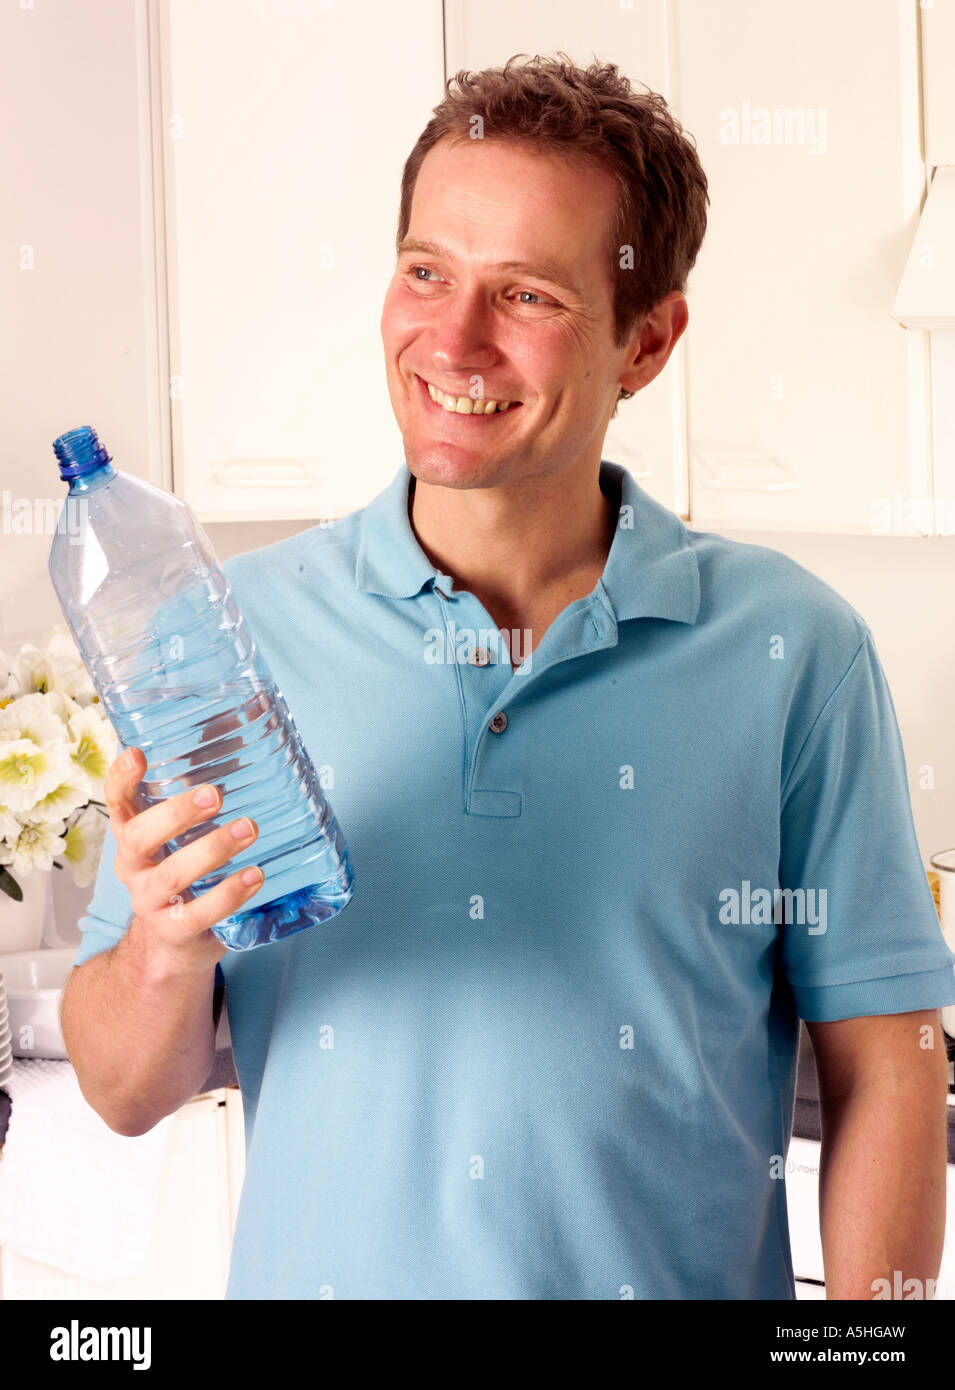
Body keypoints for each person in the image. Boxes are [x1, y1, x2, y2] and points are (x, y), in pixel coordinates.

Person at [61, 54, 955, 1301]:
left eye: (526, 293)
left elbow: (888, 1062)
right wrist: (163, 945)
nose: (453, 339)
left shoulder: (790, 650)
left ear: (647, 341)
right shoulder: (231, 633)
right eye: (426, 271)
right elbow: (119, 1090)